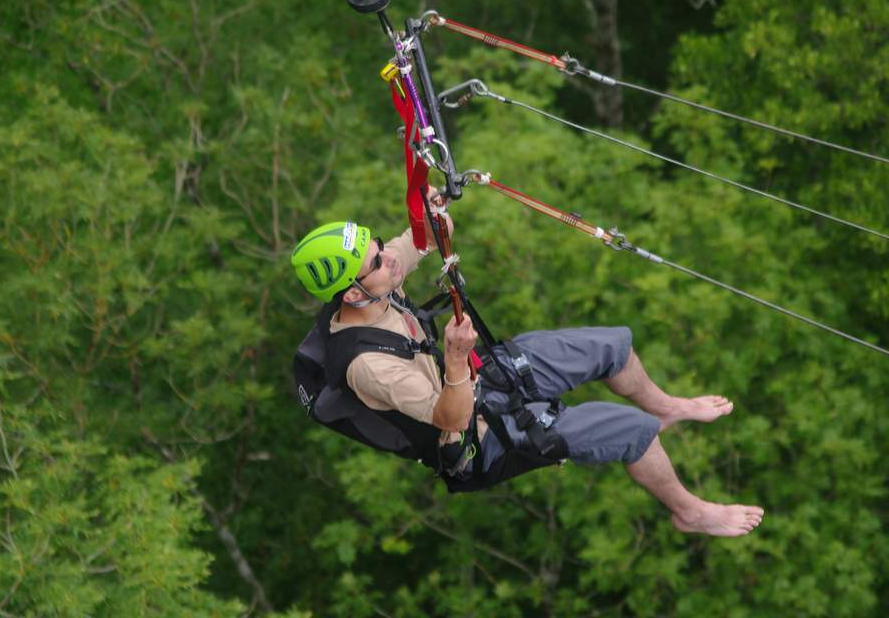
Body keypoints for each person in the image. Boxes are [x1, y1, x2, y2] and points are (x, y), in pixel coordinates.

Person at [290, 188, 764, 537]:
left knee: (612, 346)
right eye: (376, 263)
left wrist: (433, 213)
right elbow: (449, 417)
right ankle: (689, 511)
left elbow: (425, 240)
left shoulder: (374, 280)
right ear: (351, 293)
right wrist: (455, 358)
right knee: (630, 430)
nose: (388, 261)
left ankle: (666, 407)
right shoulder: (367, 364)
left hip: (475, 376)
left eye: (376, 247)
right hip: (476, 438)